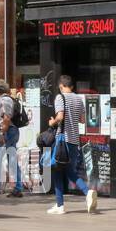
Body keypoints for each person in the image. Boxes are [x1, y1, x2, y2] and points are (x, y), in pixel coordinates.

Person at [48, 75, 96, 215]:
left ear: (61, 86)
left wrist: (52, 122)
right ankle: (83, 195)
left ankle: (61, 205)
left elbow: (60, 116)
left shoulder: (60, 97)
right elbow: (82, 120)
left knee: (57, 169)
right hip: (75, 141)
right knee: (69, 171)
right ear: (72, 86)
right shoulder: (78, 99)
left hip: (62, 141)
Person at [0, 79, 22, 198]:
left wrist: (2, 133)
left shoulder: (4, 100)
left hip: (7, 131)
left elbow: (7, 118)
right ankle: (16, 187)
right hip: (9, 131)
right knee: (8, 159)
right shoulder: (6, 99)